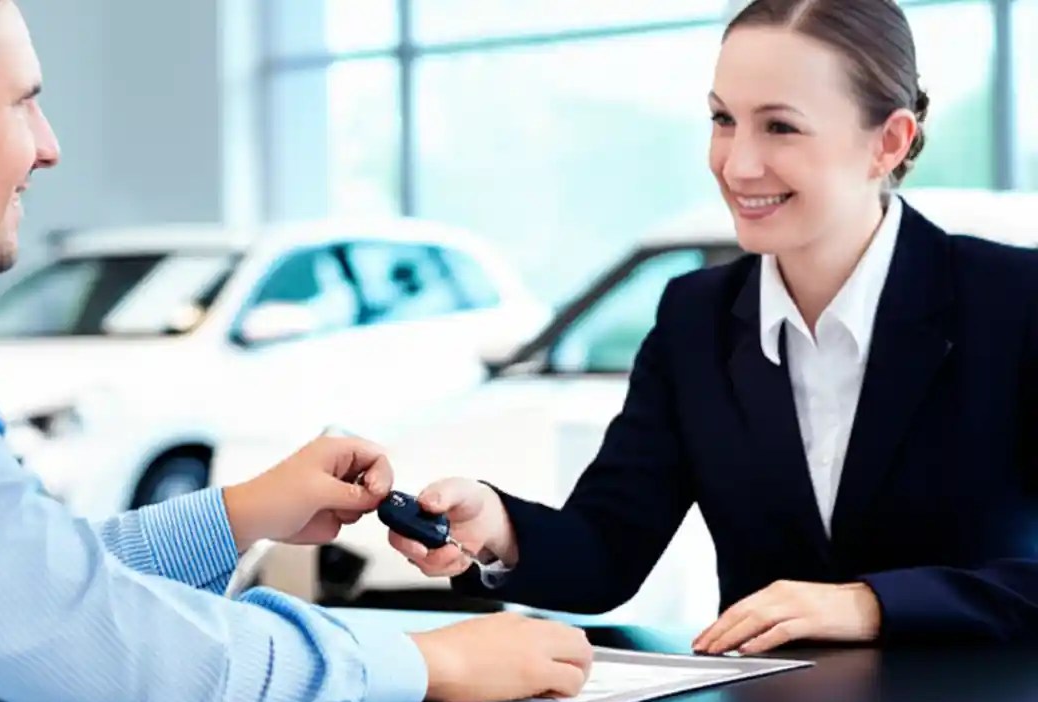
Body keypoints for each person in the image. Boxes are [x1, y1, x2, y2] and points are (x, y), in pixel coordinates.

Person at [0, 2, 594, 702]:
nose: (47, 147)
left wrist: (236, 515)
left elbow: (6, 583)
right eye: (23, 105)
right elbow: (110, 654)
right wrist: (429, 663)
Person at [391, 0, 1038, 655]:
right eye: (723, 120)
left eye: (780, 127)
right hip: (769, 700)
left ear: (888, 142)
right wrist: (497, 528)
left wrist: (870, 603)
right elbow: (609, 548)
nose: (737, 165)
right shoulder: (693, 318)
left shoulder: (1015, 302)